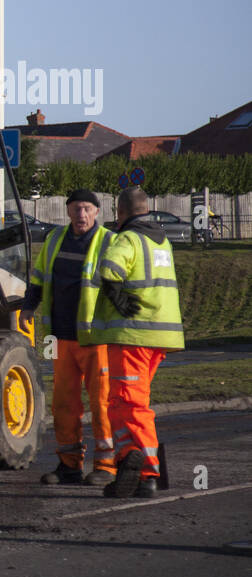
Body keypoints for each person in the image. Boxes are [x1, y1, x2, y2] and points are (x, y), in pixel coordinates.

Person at [80, 186, 185, 498]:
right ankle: (131, 462)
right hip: (160, 336)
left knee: (129, 403)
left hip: (133, 336)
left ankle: (146, 471)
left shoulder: (126, 238)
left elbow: (109, 269)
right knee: (125, 403)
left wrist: (116, 295)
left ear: (120, 212)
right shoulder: (161, 240)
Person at [20, 189, 115, 486]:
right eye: (75, 209)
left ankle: (106, 466)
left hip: (96, 338)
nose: (81, 214)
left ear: (97, 211)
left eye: (86, 208)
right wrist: (28, 305)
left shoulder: (109, 242)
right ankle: (69, 465)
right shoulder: (54, 239)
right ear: (67, 211)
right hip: (58, 337)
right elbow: (39, 277)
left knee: (102, 403)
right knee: (63, 403)